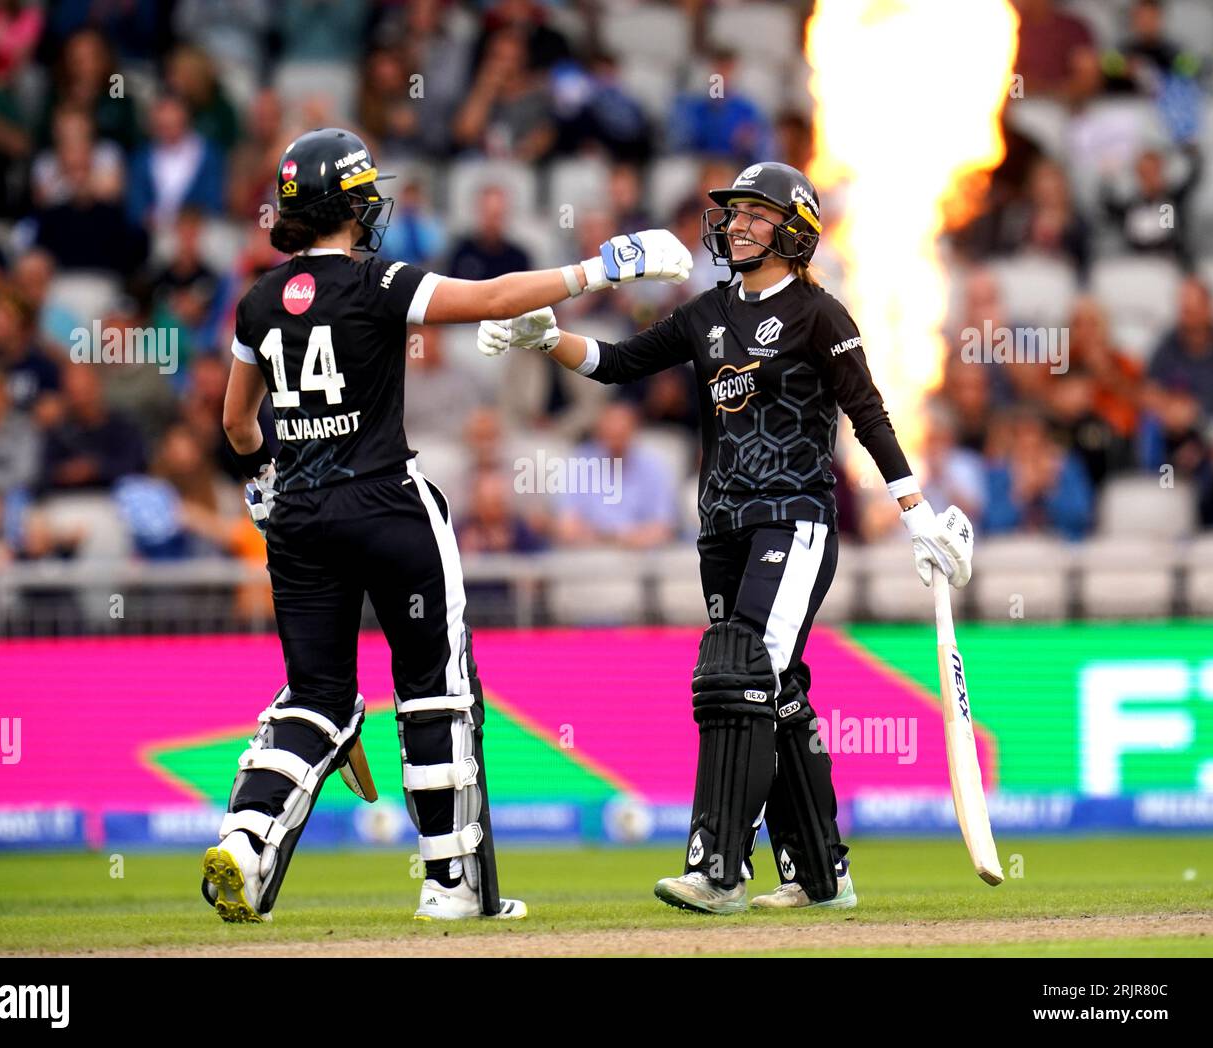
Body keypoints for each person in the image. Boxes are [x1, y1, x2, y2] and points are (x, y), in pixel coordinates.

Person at [202, 127, 692, 923]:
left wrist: (267, 488)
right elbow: (495, 298)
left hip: (300, 519)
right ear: (349, 205)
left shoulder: (259, 301)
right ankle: (451, 887)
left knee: (315, 699)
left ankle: (246, 840)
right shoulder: (377, 281)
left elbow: (235, 425)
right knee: (435, 689)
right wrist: (602, 266)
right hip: (388, 506)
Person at [477, 162, 975, 914]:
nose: (736, 224)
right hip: (723, 529)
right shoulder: (707, 313)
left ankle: (718, 869)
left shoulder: (819, 315)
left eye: (755, 214)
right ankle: (819, 874)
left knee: (734, 673)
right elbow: (616, 366)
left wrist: (914, 511)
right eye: (734, 213)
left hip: (796, 520)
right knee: (776, 693)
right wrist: (548, 340)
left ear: (796, 230)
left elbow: (869, 416)